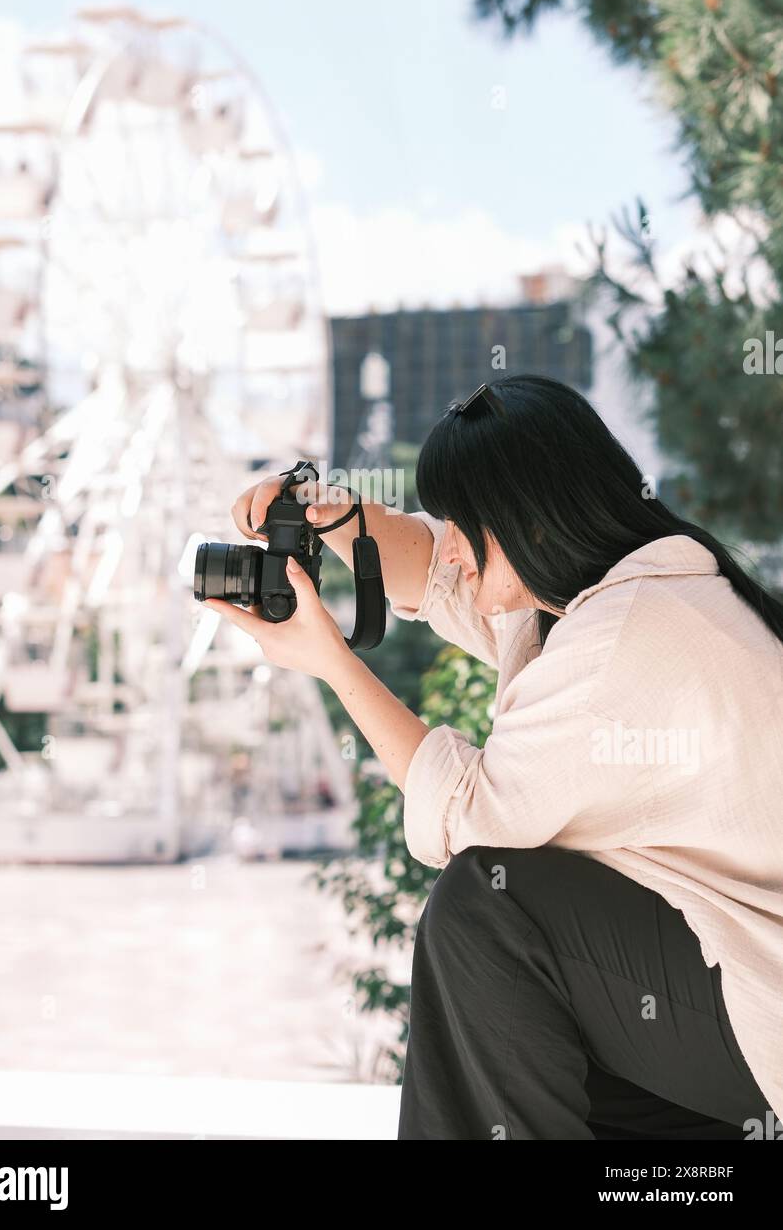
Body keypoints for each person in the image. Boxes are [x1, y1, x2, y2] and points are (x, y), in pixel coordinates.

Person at [209, 374, 783, 1141]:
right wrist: (339, 520)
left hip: (757, 1015)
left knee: (489, 905)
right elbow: (441, 576)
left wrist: (331, 663)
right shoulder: (594, 599)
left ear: (531, 522)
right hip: (718, 996)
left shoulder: (621, 638)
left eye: (462, 524)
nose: (449, 546)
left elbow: (471, 819)